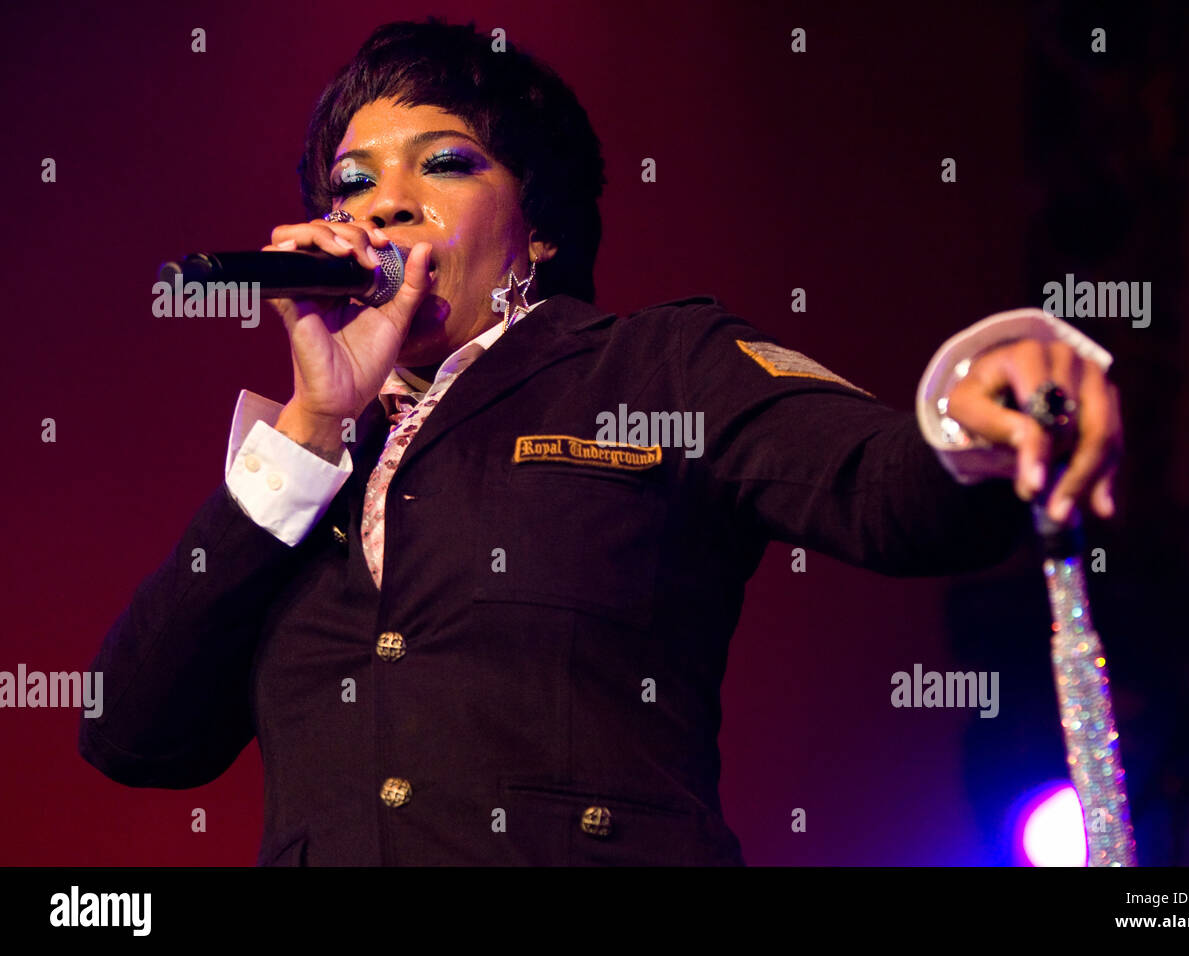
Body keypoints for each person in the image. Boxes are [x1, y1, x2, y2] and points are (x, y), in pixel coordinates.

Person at [79, 16, 1122, 866]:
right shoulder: (309, 468)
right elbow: (132, 730)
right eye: (352, 183)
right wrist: (311, 423)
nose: (385, 201)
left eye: (443, 162)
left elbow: (882, 485)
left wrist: (978, 401)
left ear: (539, 228)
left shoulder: (653, 364)